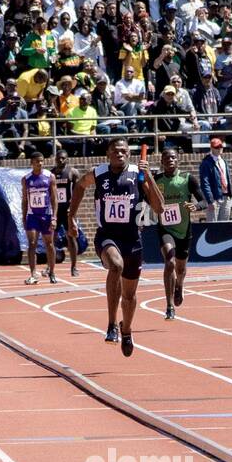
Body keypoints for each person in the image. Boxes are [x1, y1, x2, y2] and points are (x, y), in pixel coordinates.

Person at [69, 138, 165, 357]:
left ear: (129, 154)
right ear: (108, 154)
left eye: (123, 151)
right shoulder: (99, 172)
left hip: (133, 239)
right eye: (115, 151)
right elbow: (80, 186)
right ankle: (112, 324)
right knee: (116, 266)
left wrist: (148, 174)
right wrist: (71, 216)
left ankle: (127, 329)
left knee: (129, 297)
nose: (119, 154)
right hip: (107, 236)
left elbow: (159, 208)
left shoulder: (138, 175)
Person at [153, 147, 205, 321]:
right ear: (162, 161)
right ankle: (169, 306)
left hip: (184, 230)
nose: (170, 160)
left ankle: (179, 286)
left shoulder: (187, 179)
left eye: (173, 157)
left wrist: (196, 206)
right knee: (169, 261)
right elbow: (145, 197)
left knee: (180, 268)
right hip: (165, 228)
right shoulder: (157, 180)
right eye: (166, 157)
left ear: (178, 160)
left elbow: (205, 201)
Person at [20, 149, 58, 285]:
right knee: (32, 244)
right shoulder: (26, 179)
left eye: (42, 161)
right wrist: (24, 217)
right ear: (31, 163)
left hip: (46, 215)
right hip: (32, 215)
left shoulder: (49, 177)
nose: (40, 164)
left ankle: (52, 272)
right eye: (37, 162)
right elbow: (24, 200)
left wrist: (54, 217)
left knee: (49, 244)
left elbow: (54, 198)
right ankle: (33, 274)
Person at [52, 149, 82, 277]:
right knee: (51, 239)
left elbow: (78, 192)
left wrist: (73, 209)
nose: (60, 160)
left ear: (67, 159)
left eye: (63, 158)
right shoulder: (51, 174)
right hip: (56, 210)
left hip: (68, 210)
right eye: (58, 158)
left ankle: (74, 266)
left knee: (71, 237)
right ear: (55, 159)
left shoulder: (72, 173)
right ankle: (50, 266)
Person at [199, 138, 232, 222]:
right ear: (211, 148)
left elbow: (227, 178)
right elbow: (204, 183)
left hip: (225, 196)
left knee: (224, 226)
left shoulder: (224, 161)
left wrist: (229, 195)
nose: (219, 149)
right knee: (212, 225)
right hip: (214, 198)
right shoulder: (206, 162)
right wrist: (210, 201)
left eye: (220, 146)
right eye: (216, 147)